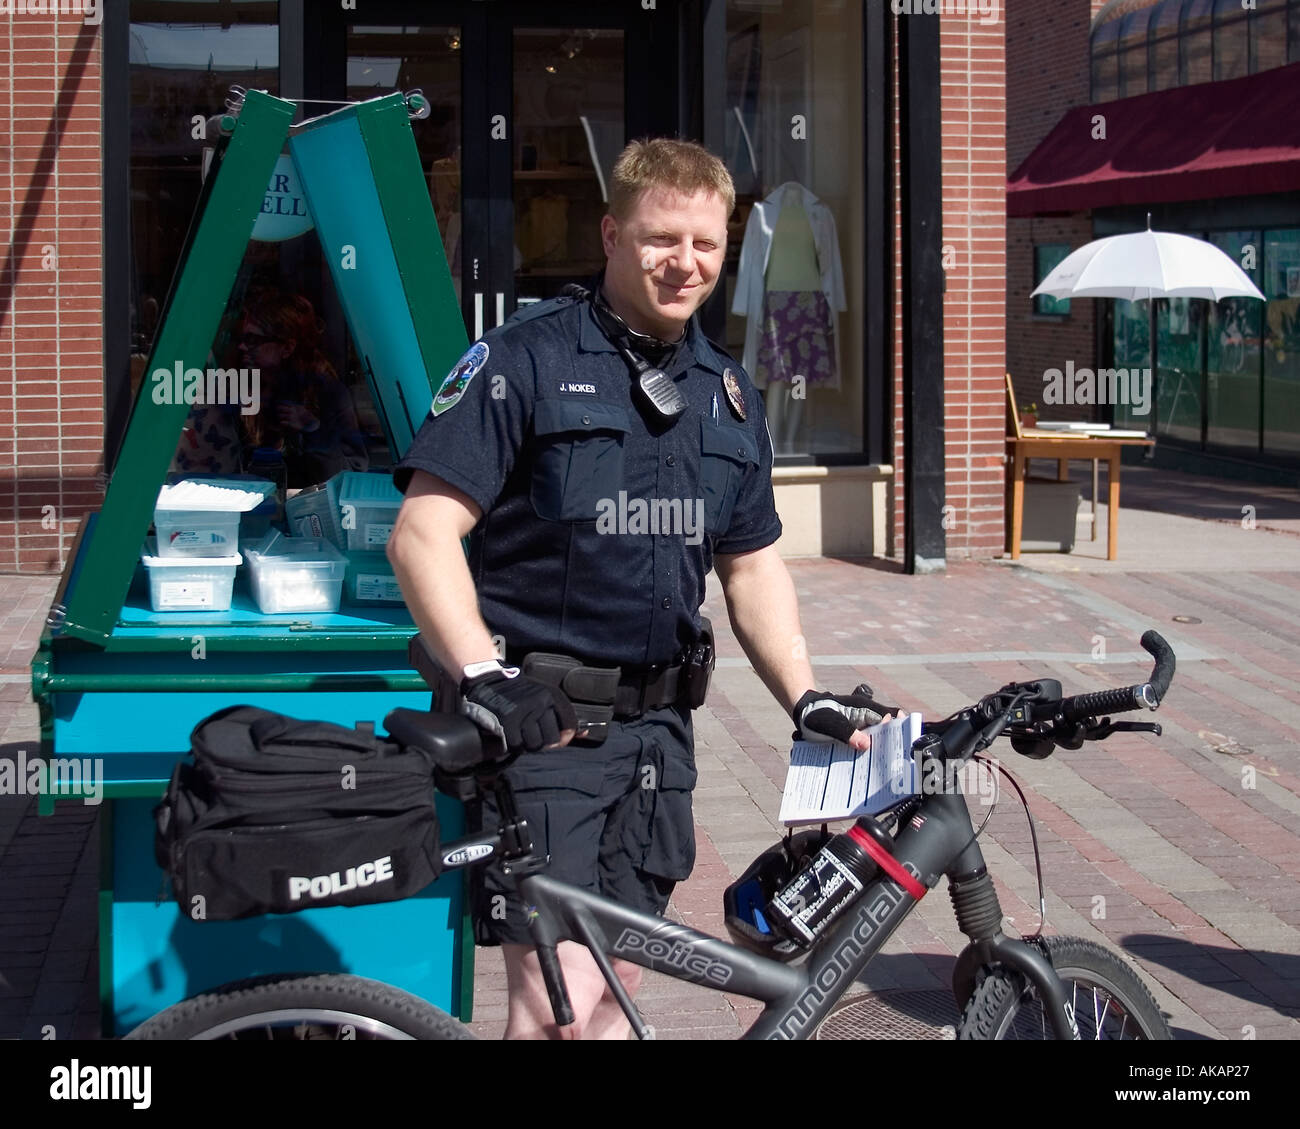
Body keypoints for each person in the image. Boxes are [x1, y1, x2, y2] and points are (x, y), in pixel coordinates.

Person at [387, 138, 893, 1040]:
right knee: (556, 1010)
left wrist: (804, 694)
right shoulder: (521, 362)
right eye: (662, 239)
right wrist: (481, 677)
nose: (684, 262)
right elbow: (423, 534)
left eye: (705, 244)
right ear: (612, 233)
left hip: (661, 740)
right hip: (542, 732)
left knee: (619, 987)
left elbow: (750, 564)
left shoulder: (728, 394)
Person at [235, 288, 369, 487]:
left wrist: (314, 430)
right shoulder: (241, 388)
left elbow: (352, 477)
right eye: (242, 338)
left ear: (287, 348)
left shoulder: (328, 394)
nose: (242, 347)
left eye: (253, 340)